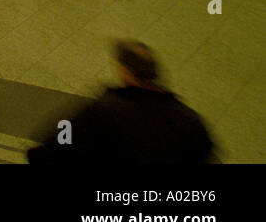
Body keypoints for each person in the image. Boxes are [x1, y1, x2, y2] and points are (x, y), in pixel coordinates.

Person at [27, 41, 215, 164]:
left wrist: (38, 154)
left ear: (125, 72)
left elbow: (62, 143)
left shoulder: (104, 111)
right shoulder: (189, 120)